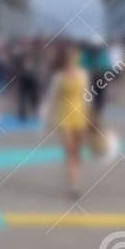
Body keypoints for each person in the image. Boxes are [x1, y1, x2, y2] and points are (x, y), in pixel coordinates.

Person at [40, 41, 91, 199]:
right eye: (70, 56)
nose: (72, 58)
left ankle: (75, 178)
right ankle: (74, 186)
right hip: (64, 117)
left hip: (81, 116)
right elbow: (51, 97)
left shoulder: (84, 74)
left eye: (75, 55)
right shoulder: (59, 77)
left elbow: (87, 97)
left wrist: (92, 117)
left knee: (77, 152)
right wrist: (45, 116)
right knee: (70, 152)